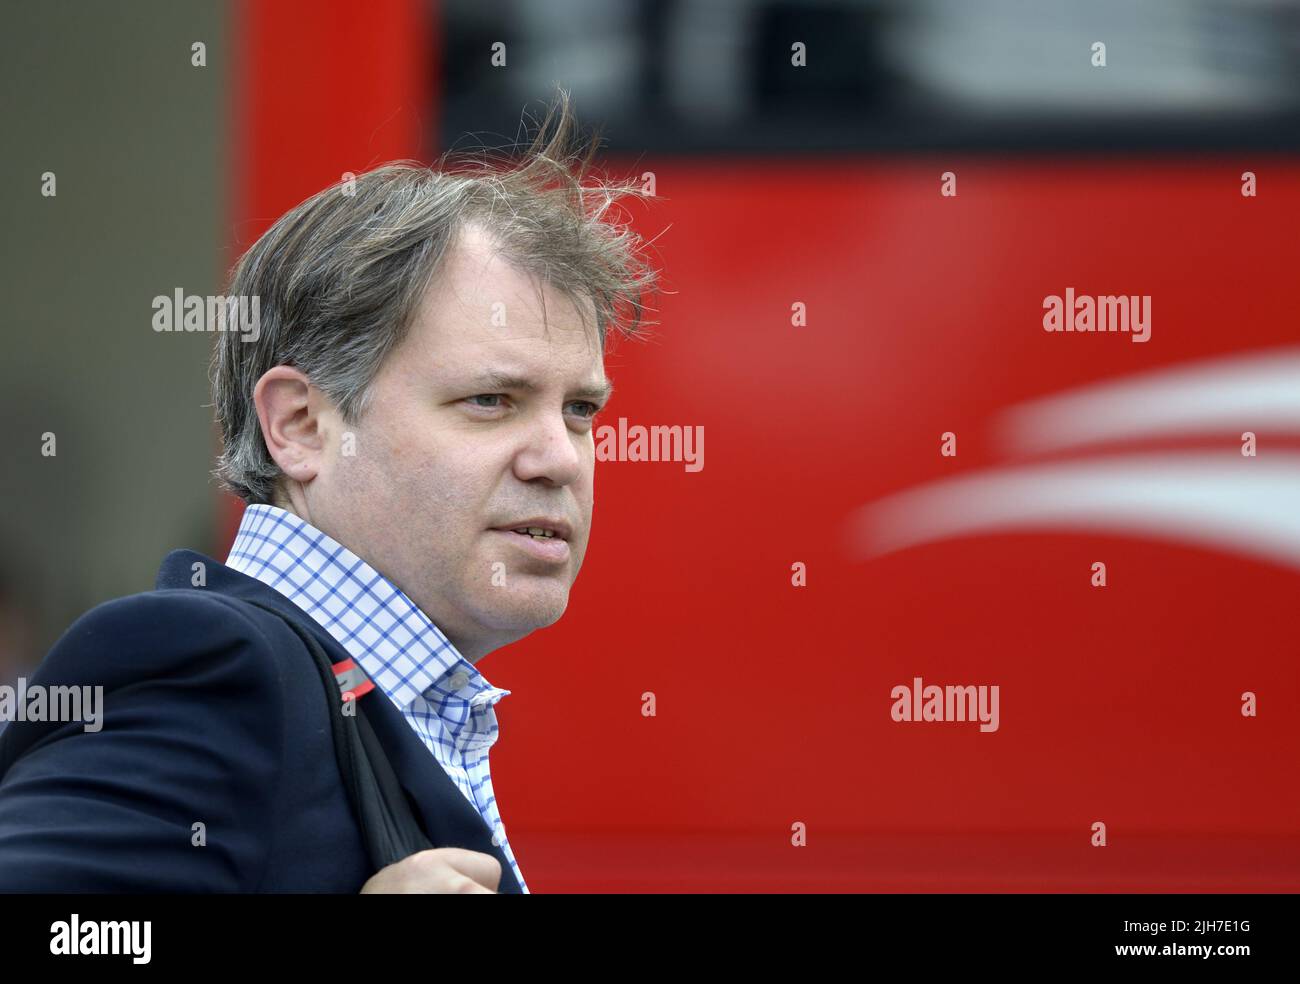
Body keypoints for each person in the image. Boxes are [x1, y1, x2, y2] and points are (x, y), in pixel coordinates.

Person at [0, 90, 660, 893]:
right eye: (491, 400)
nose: (560, 457)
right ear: (302, 426)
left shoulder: (377, 699)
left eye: (581, 410)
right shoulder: (216, 666)